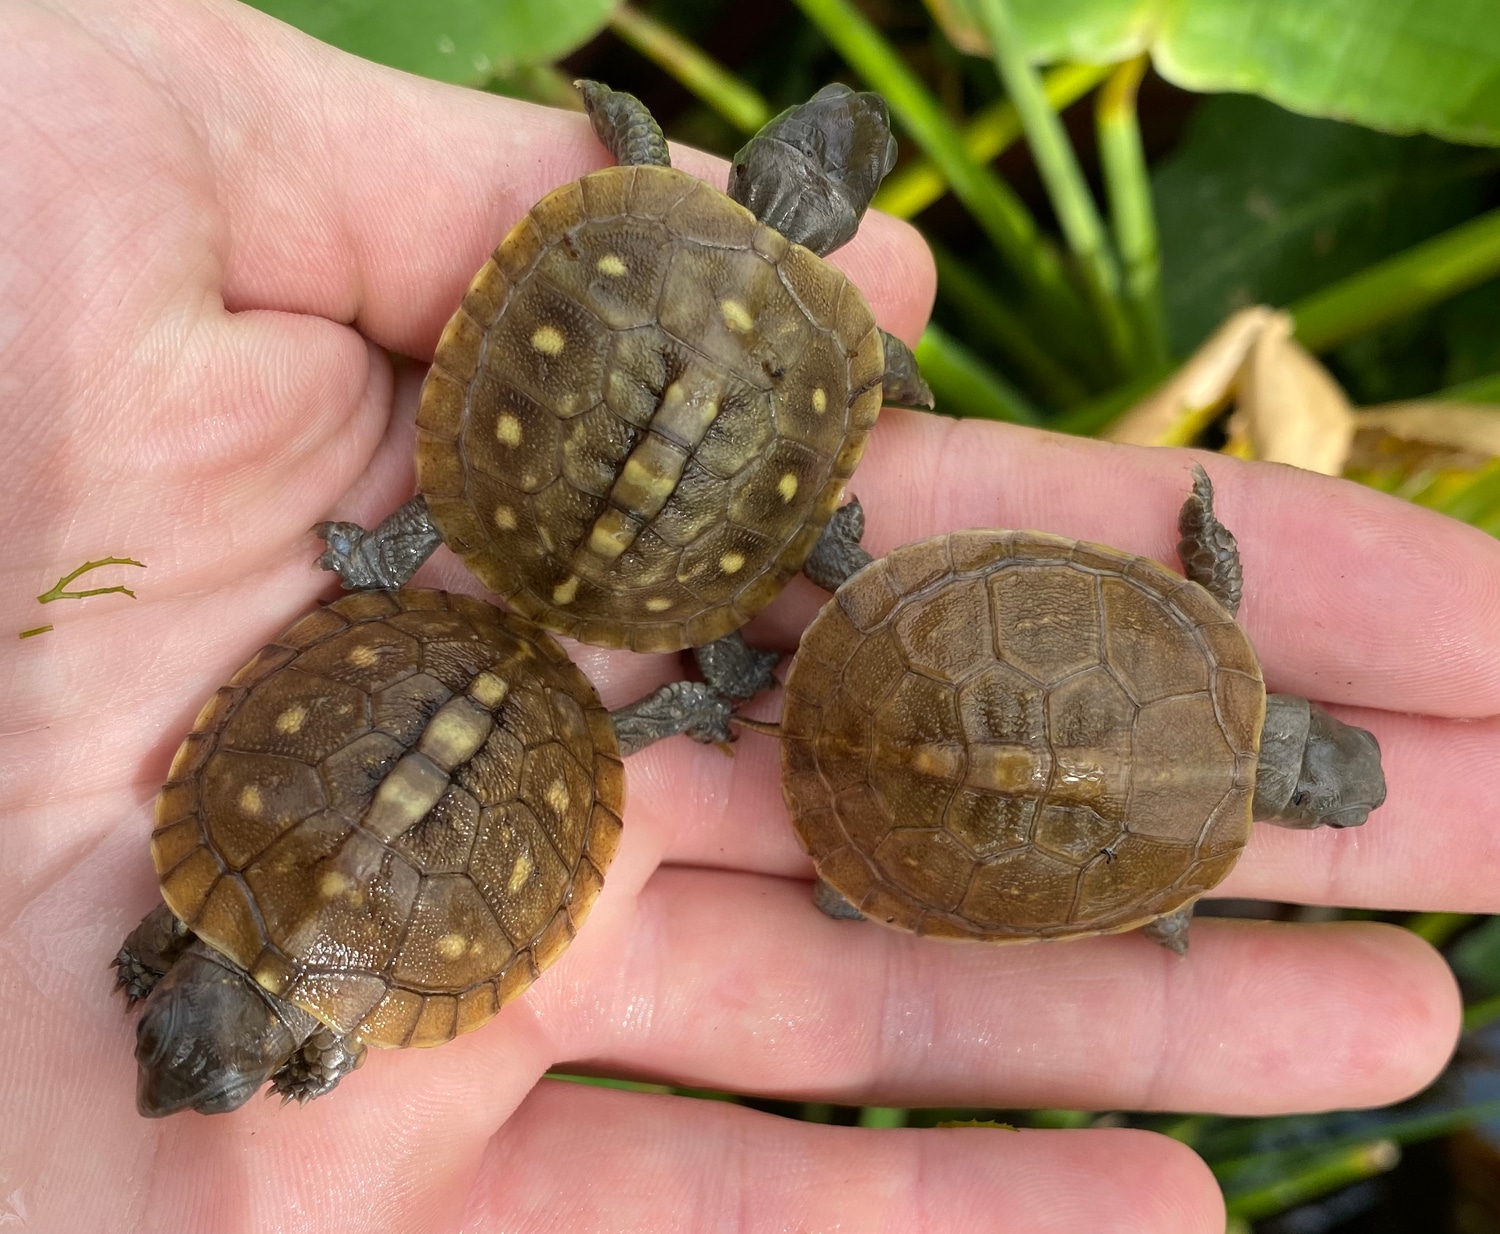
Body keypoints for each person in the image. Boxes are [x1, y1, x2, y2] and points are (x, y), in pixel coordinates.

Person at [1, 1, 1489, 1229]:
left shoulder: (647, 190)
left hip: (536, 591)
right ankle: (727, 672)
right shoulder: (833, 337)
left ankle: (731, 642)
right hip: (598, 641)